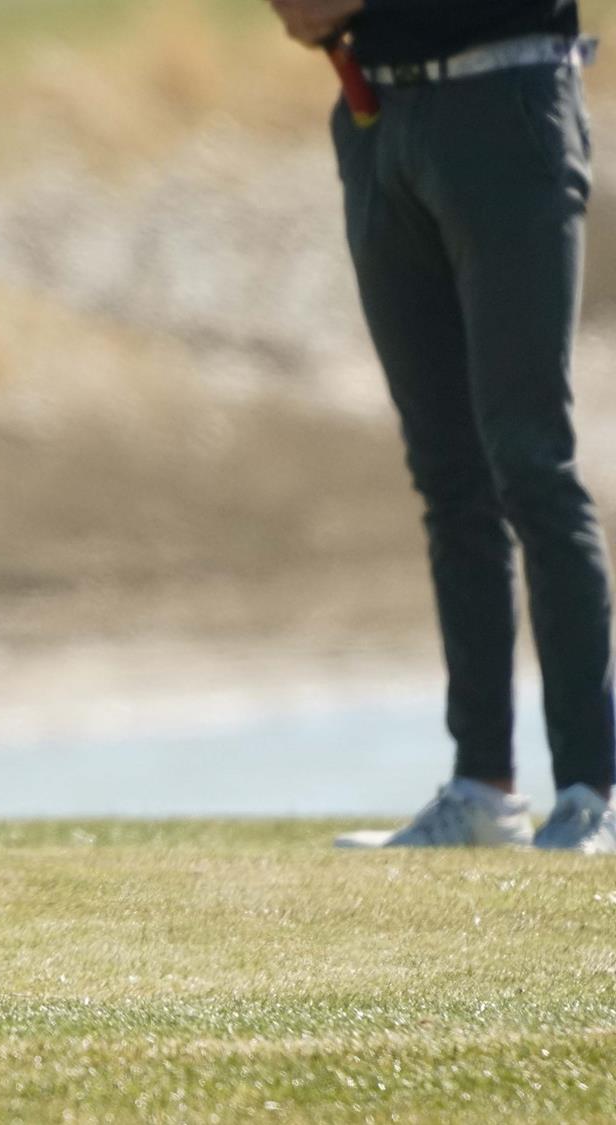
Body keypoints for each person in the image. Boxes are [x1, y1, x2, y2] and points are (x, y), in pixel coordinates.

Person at [268, 0, 615, 851]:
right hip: (378, 116)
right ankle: (483, 786)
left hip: (505, 103)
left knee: (531, 461)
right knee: (449, 476)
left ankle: (593, 792)